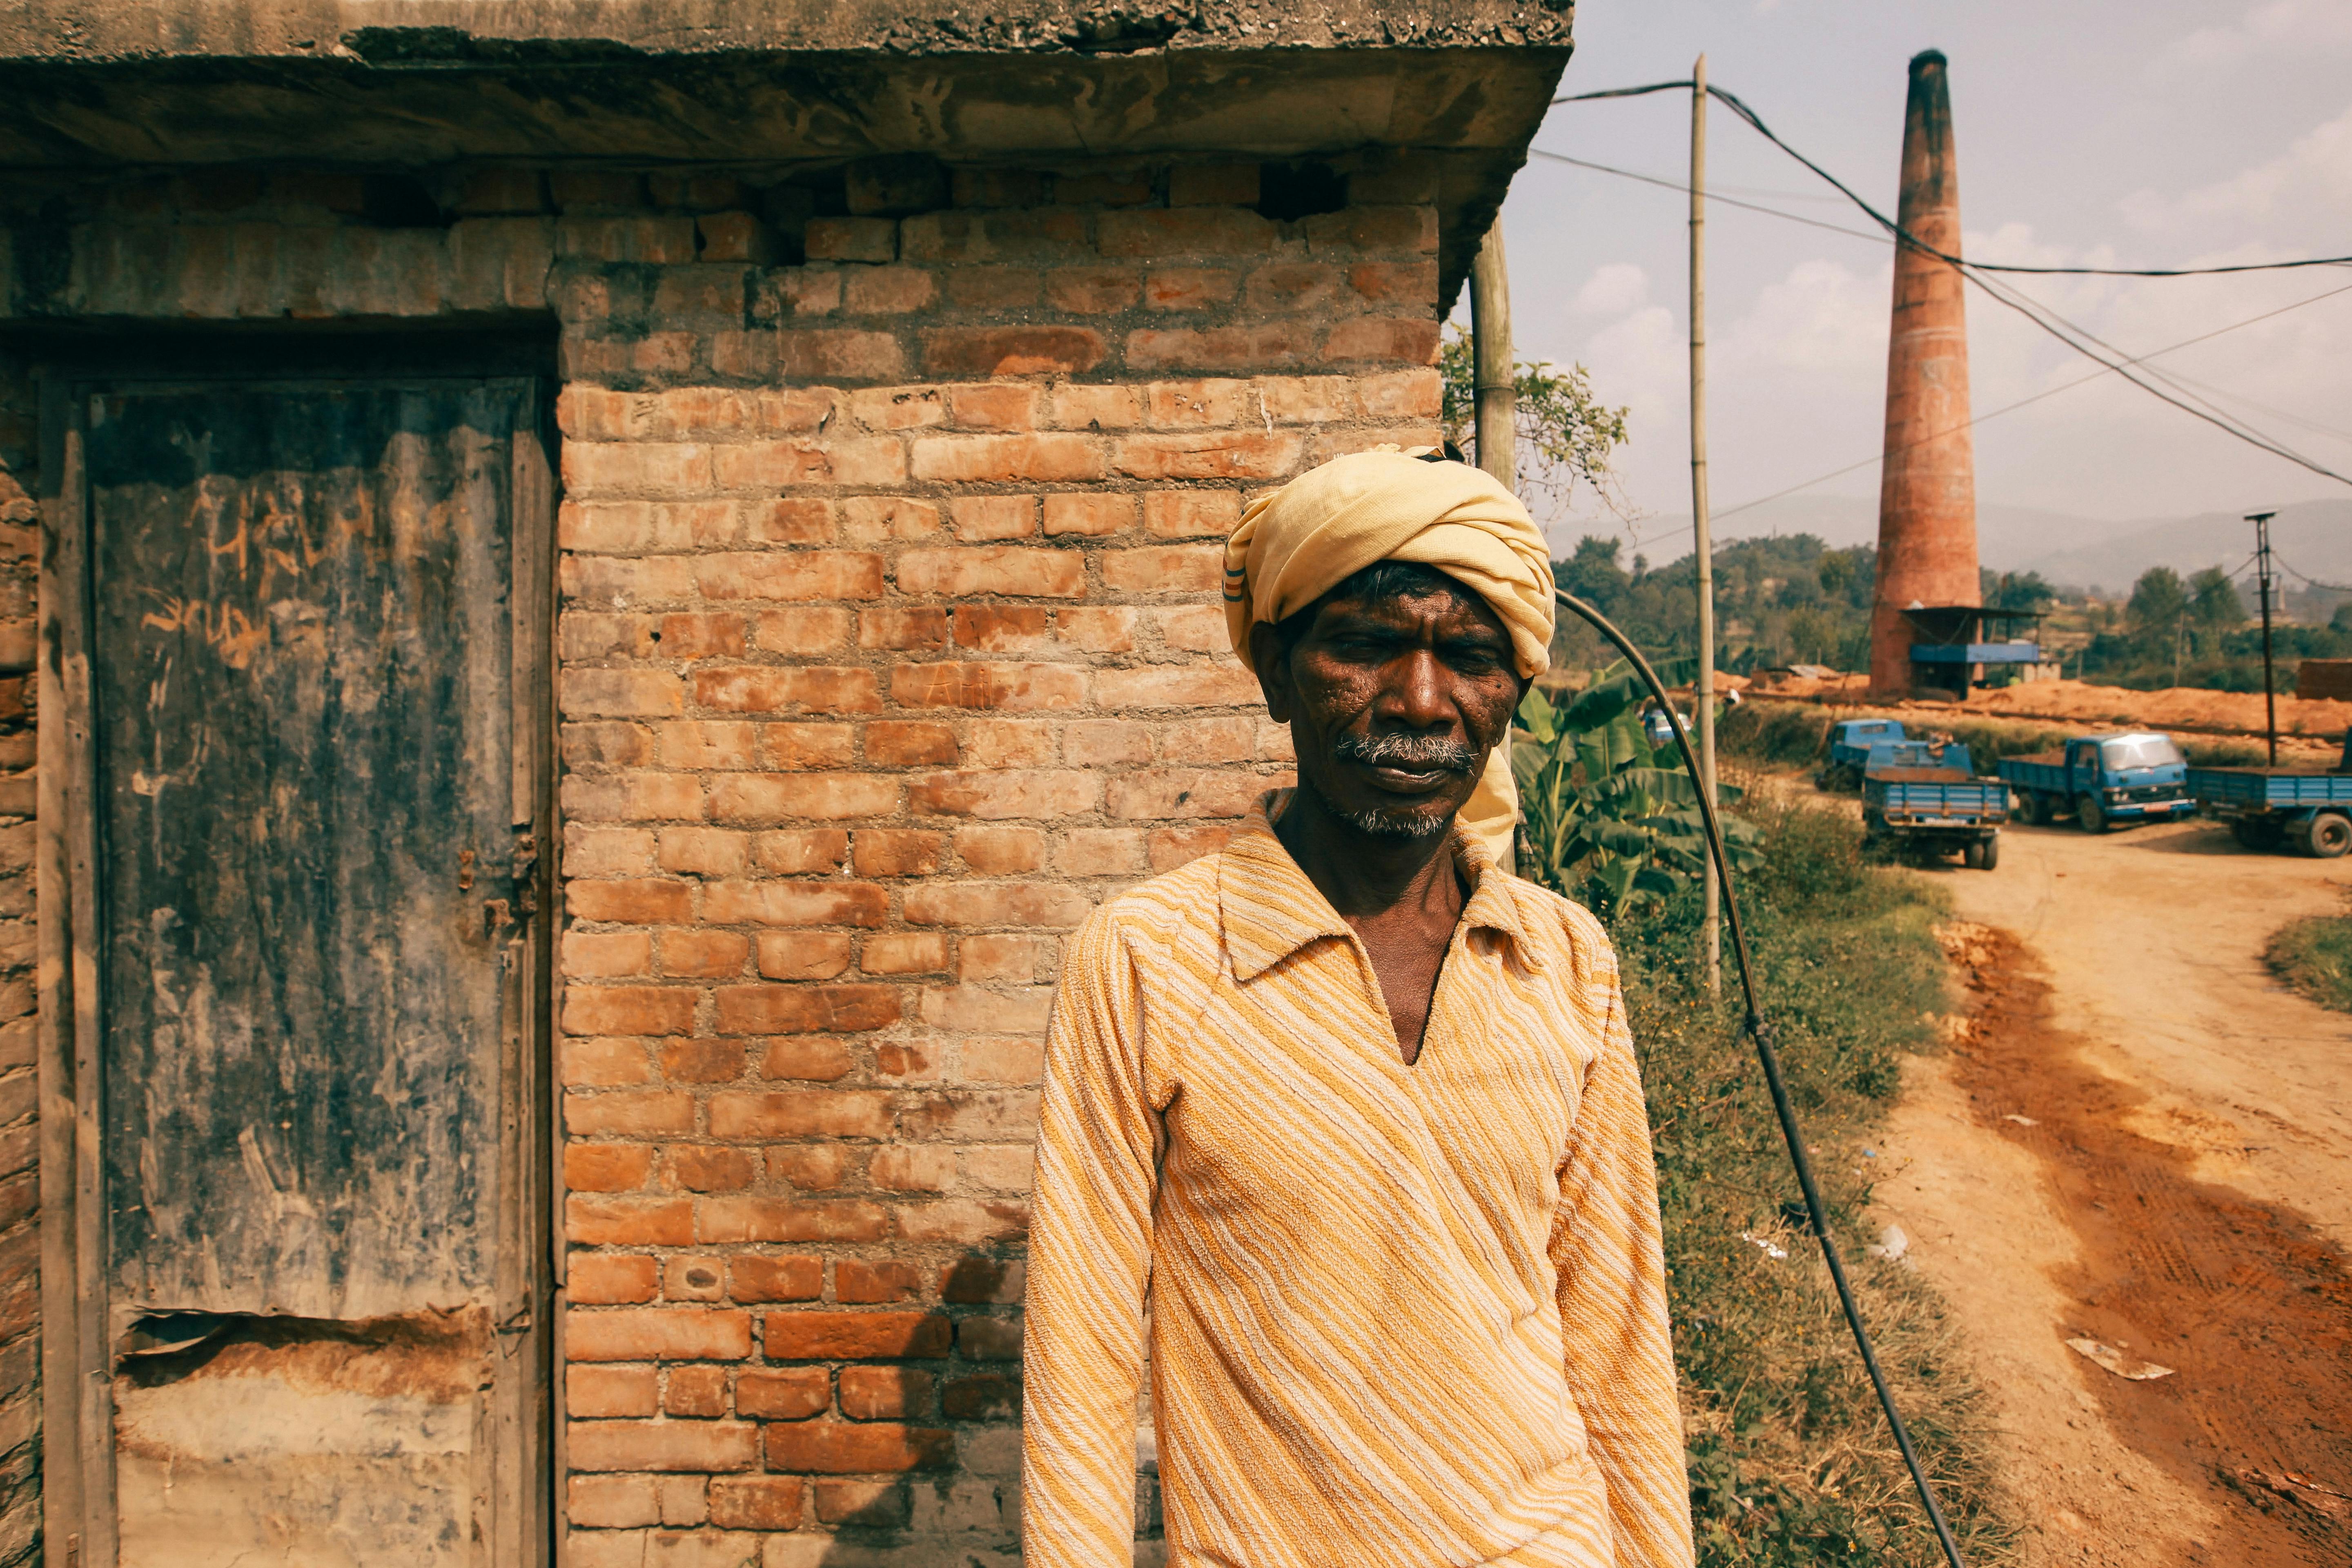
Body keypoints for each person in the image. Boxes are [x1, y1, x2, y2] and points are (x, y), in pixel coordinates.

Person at [1022, 449, 1693, 1568]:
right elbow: (1080, 1363)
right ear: (1279, 674)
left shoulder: (1566, 960)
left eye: (1469, 657)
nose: (1421, 701)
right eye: (1368, 647)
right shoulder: (1150, 960)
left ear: (1512, 691)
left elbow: (1619, 1334)